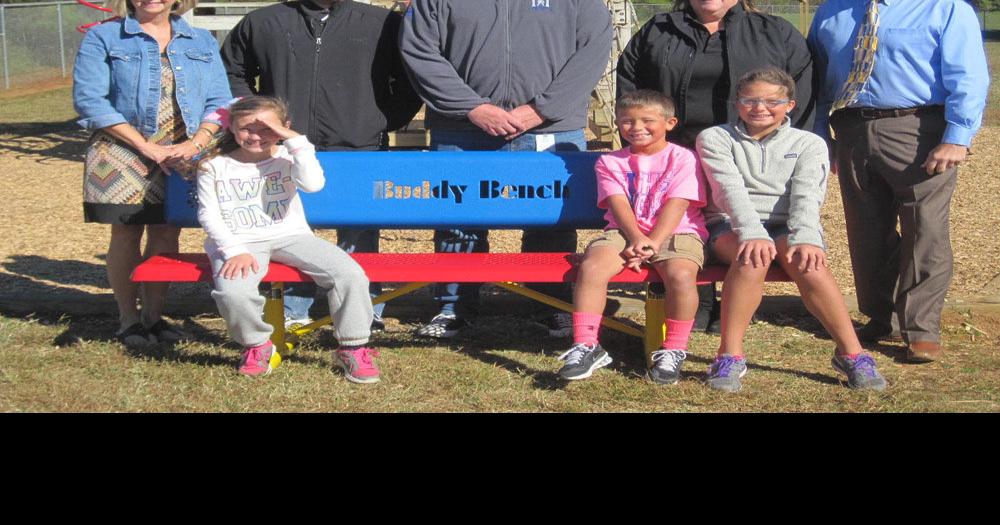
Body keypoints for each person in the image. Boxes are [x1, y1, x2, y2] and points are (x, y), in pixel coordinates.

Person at [400, 0, 613, 339]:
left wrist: (541, 110)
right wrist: (472, 108)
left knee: (552, 222)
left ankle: (550, 304)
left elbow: (592, 50)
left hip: (550, 128)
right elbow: (420, 50)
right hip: (461, 128)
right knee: (458, 222)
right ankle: (454, 307)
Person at [221, 0, 422, 331]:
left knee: (359, 231)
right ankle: (293, 307)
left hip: (359, 146)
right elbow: (232, 72)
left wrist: (380, 120)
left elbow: (410, 77)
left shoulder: (382, 22)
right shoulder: (263, 22)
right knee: (290, 229)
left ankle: (363, 310)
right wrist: (258, 118)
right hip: (285, 147)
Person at [617, 0, 815, 334]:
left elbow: (802, 95)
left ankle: (738, 304)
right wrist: (641, 146)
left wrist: (785, 148)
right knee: (687, 227)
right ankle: (697, 302)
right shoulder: (658, 31)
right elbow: (630, 90)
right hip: (676, 152)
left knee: (736, 223)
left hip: (744, 152)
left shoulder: (775, 33)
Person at [809, 0, 989, 363]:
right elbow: (816, 81)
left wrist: (957, 137)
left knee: (925, 230)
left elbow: (968, 75)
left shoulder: (946, 8)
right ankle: (883, 317)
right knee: (867, 232)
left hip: (919, 129)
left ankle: (921, 329)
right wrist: (819, 135)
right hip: (851, 128)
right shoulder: (831, 11)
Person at [696, 68, 886, 393]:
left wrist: (807, 237)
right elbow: (728, 190)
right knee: (751, 258)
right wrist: (752, 232)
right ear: (737, 103)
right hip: (731, 223)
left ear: (790, 105)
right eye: (750, 100)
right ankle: (729, 355)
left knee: (809, 264)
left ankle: (851, 354)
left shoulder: (809, 143)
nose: (760, 108)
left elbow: (807, 196)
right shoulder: (715, 138)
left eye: (772, 101)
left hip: (786, 224)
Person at [73, 0, 232, 345]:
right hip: (122, 151)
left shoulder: (201, 40)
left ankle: (154, 317)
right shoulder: (104, 37)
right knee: (126, 232)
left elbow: (221, 100)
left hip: (181, 153)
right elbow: (90, 100)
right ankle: (128, 320)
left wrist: (196, 143)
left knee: (167, 232)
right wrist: (145, 146)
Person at [196, 97, 380, 383]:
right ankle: (257, 345)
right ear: (230, 126)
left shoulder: (289, 155)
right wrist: (233, 251)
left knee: (350, 274)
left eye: (266, 129)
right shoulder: (213, 166)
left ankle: (353, 347)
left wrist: (295, 140)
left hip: (292, 236)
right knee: (234, 293)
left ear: (283, 128)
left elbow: (313, 184)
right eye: (246, 129)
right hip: (239, 243)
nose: (255, 136)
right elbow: (209, 215)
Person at [557, 90, 707, 384]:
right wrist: (637, 237)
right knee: (592, 267)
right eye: (627, 121)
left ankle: (674, 349)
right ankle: (587, 344)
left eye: (647, 120)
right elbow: (618, 203)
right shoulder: (610, 162)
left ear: (670, 123)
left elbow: (678, 203)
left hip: (677, 231)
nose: (636, 127)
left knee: (680, 275)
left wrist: (653, 241)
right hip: (624, 231)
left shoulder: (683, 158)